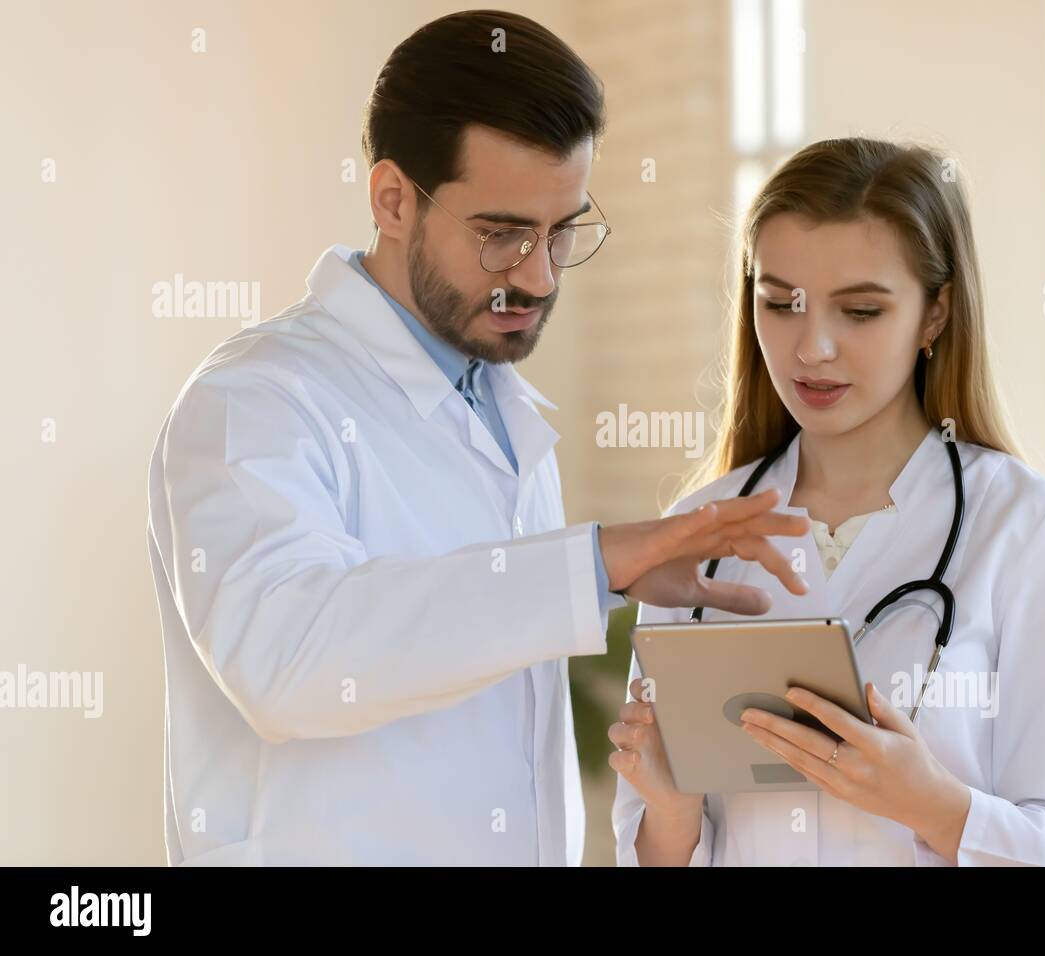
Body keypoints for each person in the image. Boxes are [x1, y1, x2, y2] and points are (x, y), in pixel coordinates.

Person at [145, 10, 809, 867]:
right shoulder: (255, 400)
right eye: (502, 235)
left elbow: (473, 651)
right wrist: (594, 562)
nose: (536, 276)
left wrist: (609, 583)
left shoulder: (498, 403)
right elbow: (289, 661)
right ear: (392, 198)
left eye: (562, 232)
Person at [610, 137, 1045, 866]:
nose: (812, 347)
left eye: (859, 311)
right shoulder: (697, 537)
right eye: (780, 303)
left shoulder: (1034, 529)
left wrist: (931, 804)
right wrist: (670, 811)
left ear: (935, 315)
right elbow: (653, 851)